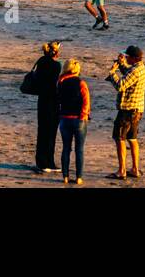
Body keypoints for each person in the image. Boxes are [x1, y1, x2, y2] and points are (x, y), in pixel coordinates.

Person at [106, 46, 145, 180]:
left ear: (134, 58)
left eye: (127, 56)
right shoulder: (140, 68)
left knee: (119, 139)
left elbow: (121, 85)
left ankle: (121, 170)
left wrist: (112, 73)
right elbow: (128, 74)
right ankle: (135, 169)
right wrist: (122, 64)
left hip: (127, 111)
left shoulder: (135, 71)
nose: (126, 58)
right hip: (137, 110)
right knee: (132, 139)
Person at [56, 58, 90, 185]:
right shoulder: (81, 83)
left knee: (66, 149)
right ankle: (79, 177)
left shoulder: (60, 82)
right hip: (78, 120)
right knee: (79, 149)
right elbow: (86, 102)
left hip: (65, 119)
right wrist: (83, 116)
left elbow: (58, 99)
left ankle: (65, 176)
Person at [30, 41, 62, 173]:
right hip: (52, 101)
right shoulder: (56, 66)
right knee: (50, 133)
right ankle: (48, 162)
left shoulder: (41, 62)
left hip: (42, 100)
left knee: (42, 131)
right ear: (56, 52)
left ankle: (41, 161)